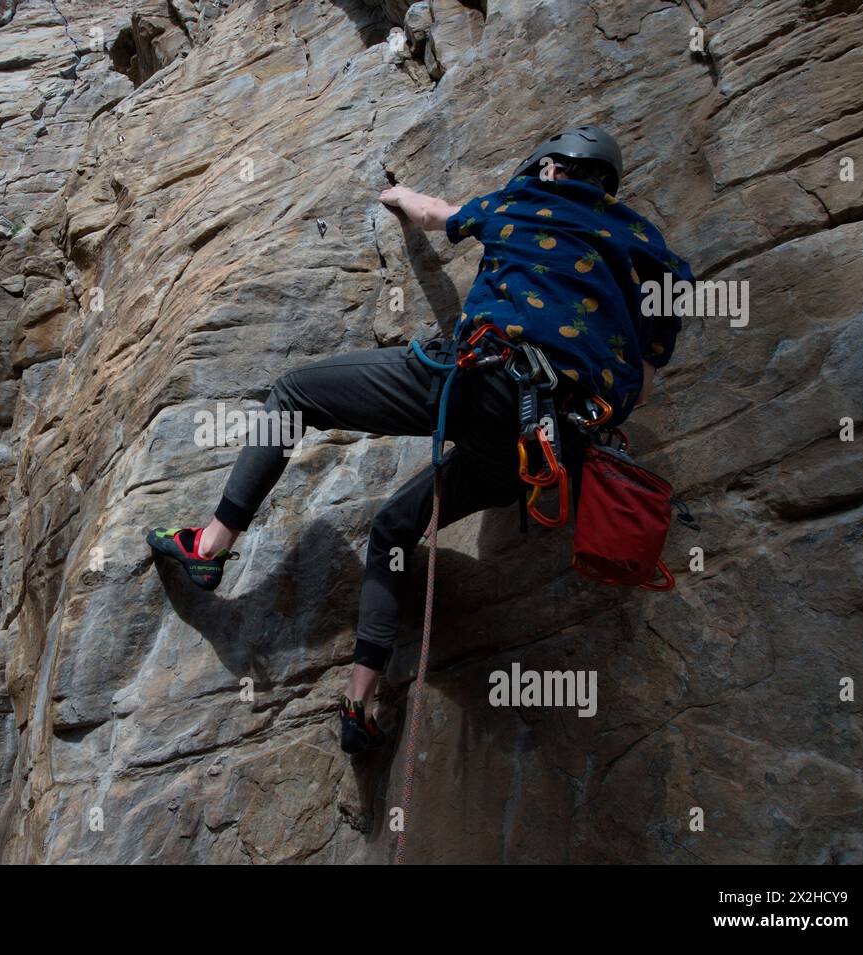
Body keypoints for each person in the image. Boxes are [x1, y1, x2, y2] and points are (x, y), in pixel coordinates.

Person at [147, 125, 695, 753]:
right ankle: (359, 706)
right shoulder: (654, 254)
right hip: (557, 443)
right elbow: (644, 385)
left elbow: (436, 214)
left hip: (486, 383)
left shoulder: (522, 203)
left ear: (549, 170)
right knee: (394, 529)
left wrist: (396, 193)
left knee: (294, 394)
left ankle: (210, 545)